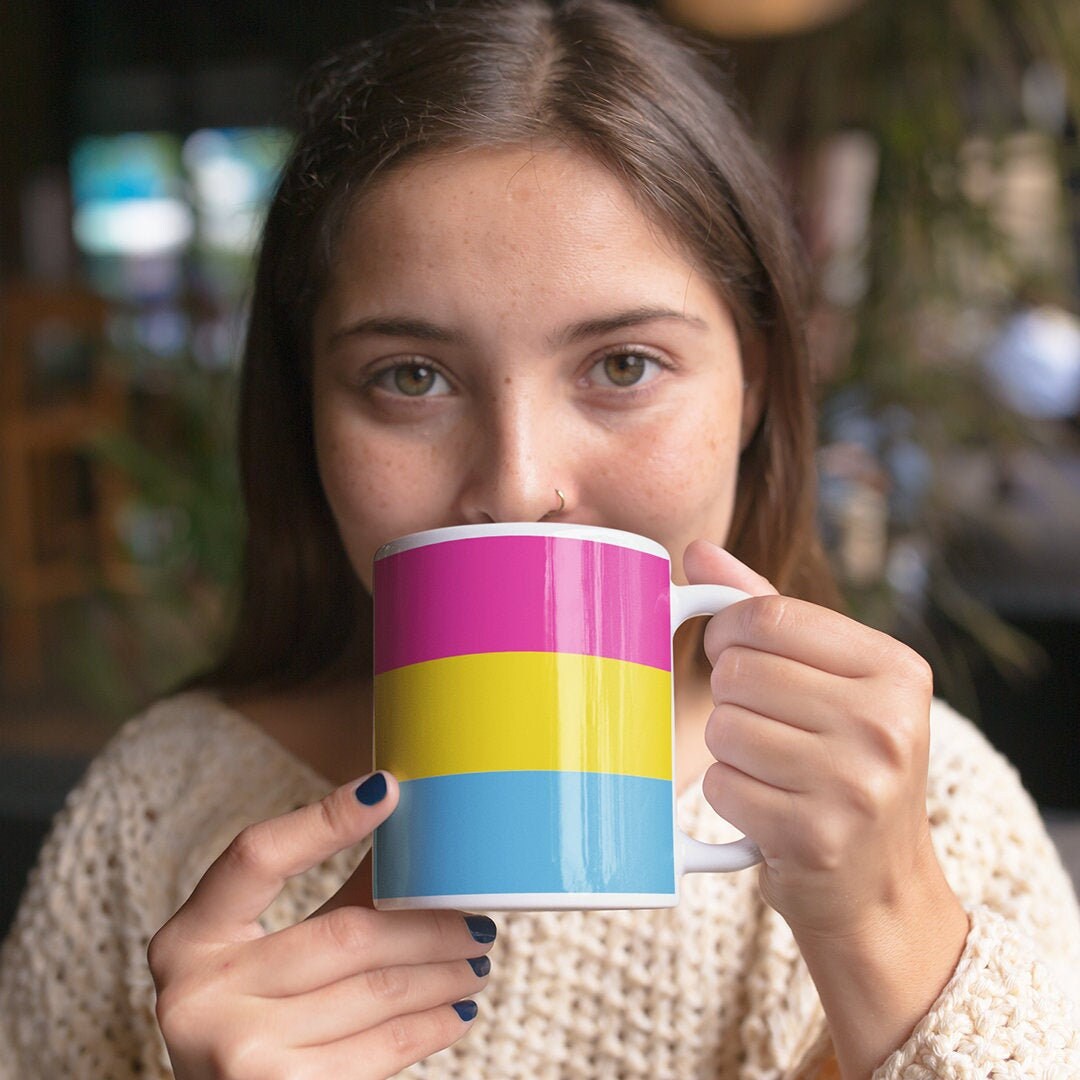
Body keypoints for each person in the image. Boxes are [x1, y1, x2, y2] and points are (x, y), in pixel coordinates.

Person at [2, 1, 1078, 1076]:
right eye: (410, 377)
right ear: (307, 412)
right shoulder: (155, 814)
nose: (518, 486)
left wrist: (889, 936)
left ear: (752, 387)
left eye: (623, 366)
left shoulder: (932, 808)